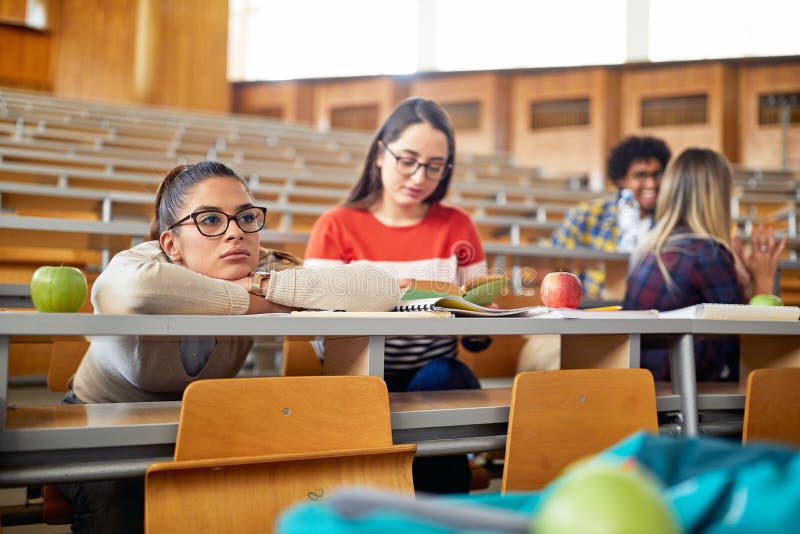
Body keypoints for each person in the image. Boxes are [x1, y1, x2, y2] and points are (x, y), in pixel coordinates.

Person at [60, 160, 400, 533]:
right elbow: (129, 291)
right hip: (99, 421)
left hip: (201, 422)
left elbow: (379, 288)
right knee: (118, 496)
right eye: (209, 220)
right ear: (171, 244)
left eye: (246, 217)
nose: (235, 233)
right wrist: (245, 298)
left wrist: (259, 287)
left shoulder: (260, 270)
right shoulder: (142, 265)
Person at [304, 97, 486, 493]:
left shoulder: (459, 225)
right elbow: (317, 326)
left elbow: (478, 320)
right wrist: (387, 295)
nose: (419, 177)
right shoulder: (336, 225)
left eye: (434, 167)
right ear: (380, 155)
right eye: (408, 160)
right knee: (371, 394)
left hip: (437, 377)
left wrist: (481, 311)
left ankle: (428, 511)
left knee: (442, 376)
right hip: (359, 377)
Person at [624, 148, 786, 382]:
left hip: (641, 378)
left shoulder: (654, 245)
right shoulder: (706, 253)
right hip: (679, 387)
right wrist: (762, 280)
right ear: (720, 197)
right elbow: (747, 343)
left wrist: (745, 282)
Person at [551, 136, 672, 298]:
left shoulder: (671, 220)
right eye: (640, 175)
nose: (651, 184)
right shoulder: (587, 215)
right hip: (594, 311)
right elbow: (557, 265)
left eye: (657, 175)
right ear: (621, 179)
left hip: (652, 309)